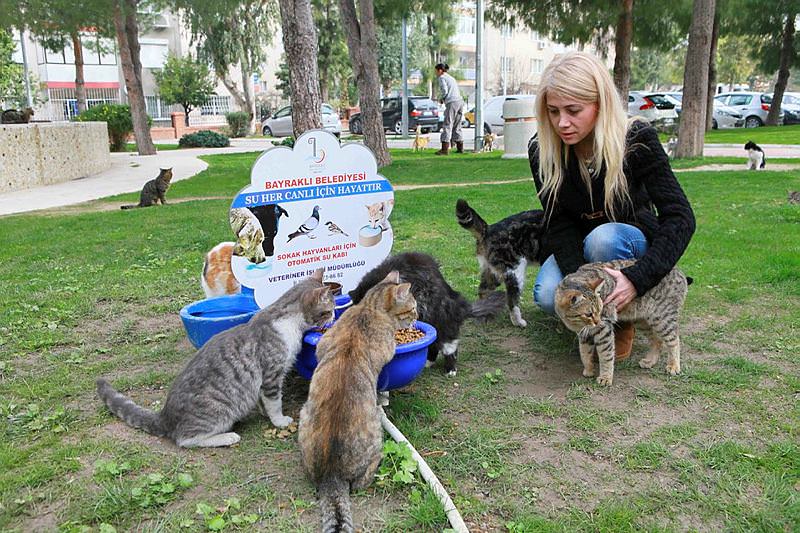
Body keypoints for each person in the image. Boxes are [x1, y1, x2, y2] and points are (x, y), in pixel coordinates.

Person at [528, 51, 695, 358]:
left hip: (627, 241)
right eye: (553, 111)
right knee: (547, 296)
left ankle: (623, 318)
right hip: (581, 246)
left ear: (599, 104)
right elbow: (557, 222)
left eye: (573, 110)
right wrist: (581, 288)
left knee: (604, 238)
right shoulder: (542, 150)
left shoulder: (637, 139)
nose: (562, 123)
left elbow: (681, 217)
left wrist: (637, 279)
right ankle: (601, 312)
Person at [434, 63, 465, 155]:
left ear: (440, 70)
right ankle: (460, 148)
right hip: (460, 101)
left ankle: (445, 149)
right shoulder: (451, 78)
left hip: (452, 102)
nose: (435, 73)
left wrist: (442, 98)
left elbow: (445, 90)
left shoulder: (442, 78)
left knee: (447, 124)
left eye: (436, 71)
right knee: (457, 125)